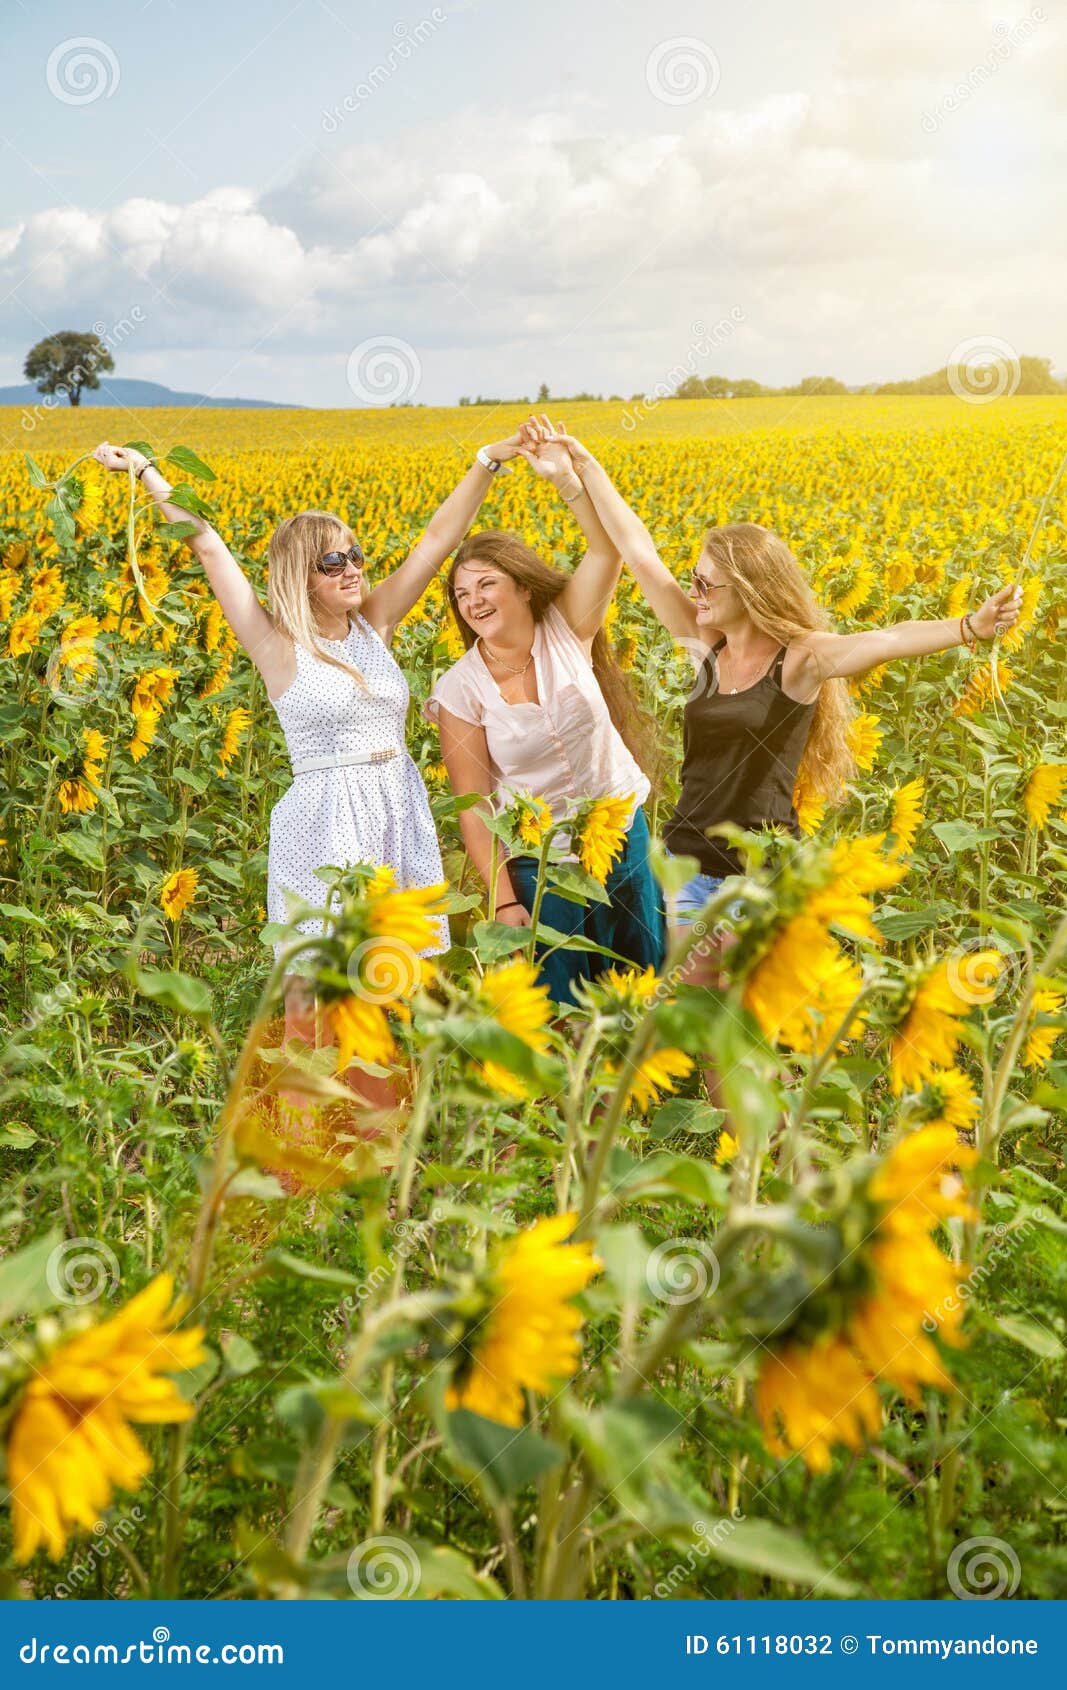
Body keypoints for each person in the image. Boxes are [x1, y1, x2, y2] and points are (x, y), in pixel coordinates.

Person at [532, 424, 1024, 1075]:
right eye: (695, 583)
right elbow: (638, 551)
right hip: (682, 860)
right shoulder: (703, 643)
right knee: (696, 1028)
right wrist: (584, 467)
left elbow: (884, 637)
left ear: (751, 589)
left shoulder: (797, 660)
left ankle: (753, 1156)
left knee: (736, 1033)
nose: (694, 593)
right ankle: (736, 1158)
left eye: (707, 584)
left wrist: (968, 627)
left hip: (752, 872)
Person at [92, 431, 527, 1111]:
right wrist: (145, 470)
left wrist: (487, 461)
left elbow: (439, 540)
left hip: (393, 806)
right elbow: (207, 544)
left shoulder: (374, 625)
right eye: (333, 560)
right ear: (301, 574)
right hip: (323, 821)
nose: (353, 568)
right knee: (318, 983)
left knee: (386, 978)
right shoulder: (274, 642)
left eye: (355, 554)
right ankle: (306, 1146)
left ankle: (376, 1139)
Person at [424, 418, 666, 1007]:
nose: (474, 601)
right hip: (543, 869)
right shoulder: (461, 690)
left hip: (620, 834)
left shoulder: (567, 629)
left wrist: (567, 479)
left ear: (524, 589)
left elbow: (607, 548)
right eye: (462, 593)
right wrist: (503, 900)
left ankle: (634, 1099)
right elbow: (476, 806)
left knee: (642, 986)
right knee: (562, 1007)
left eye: (486, 585)